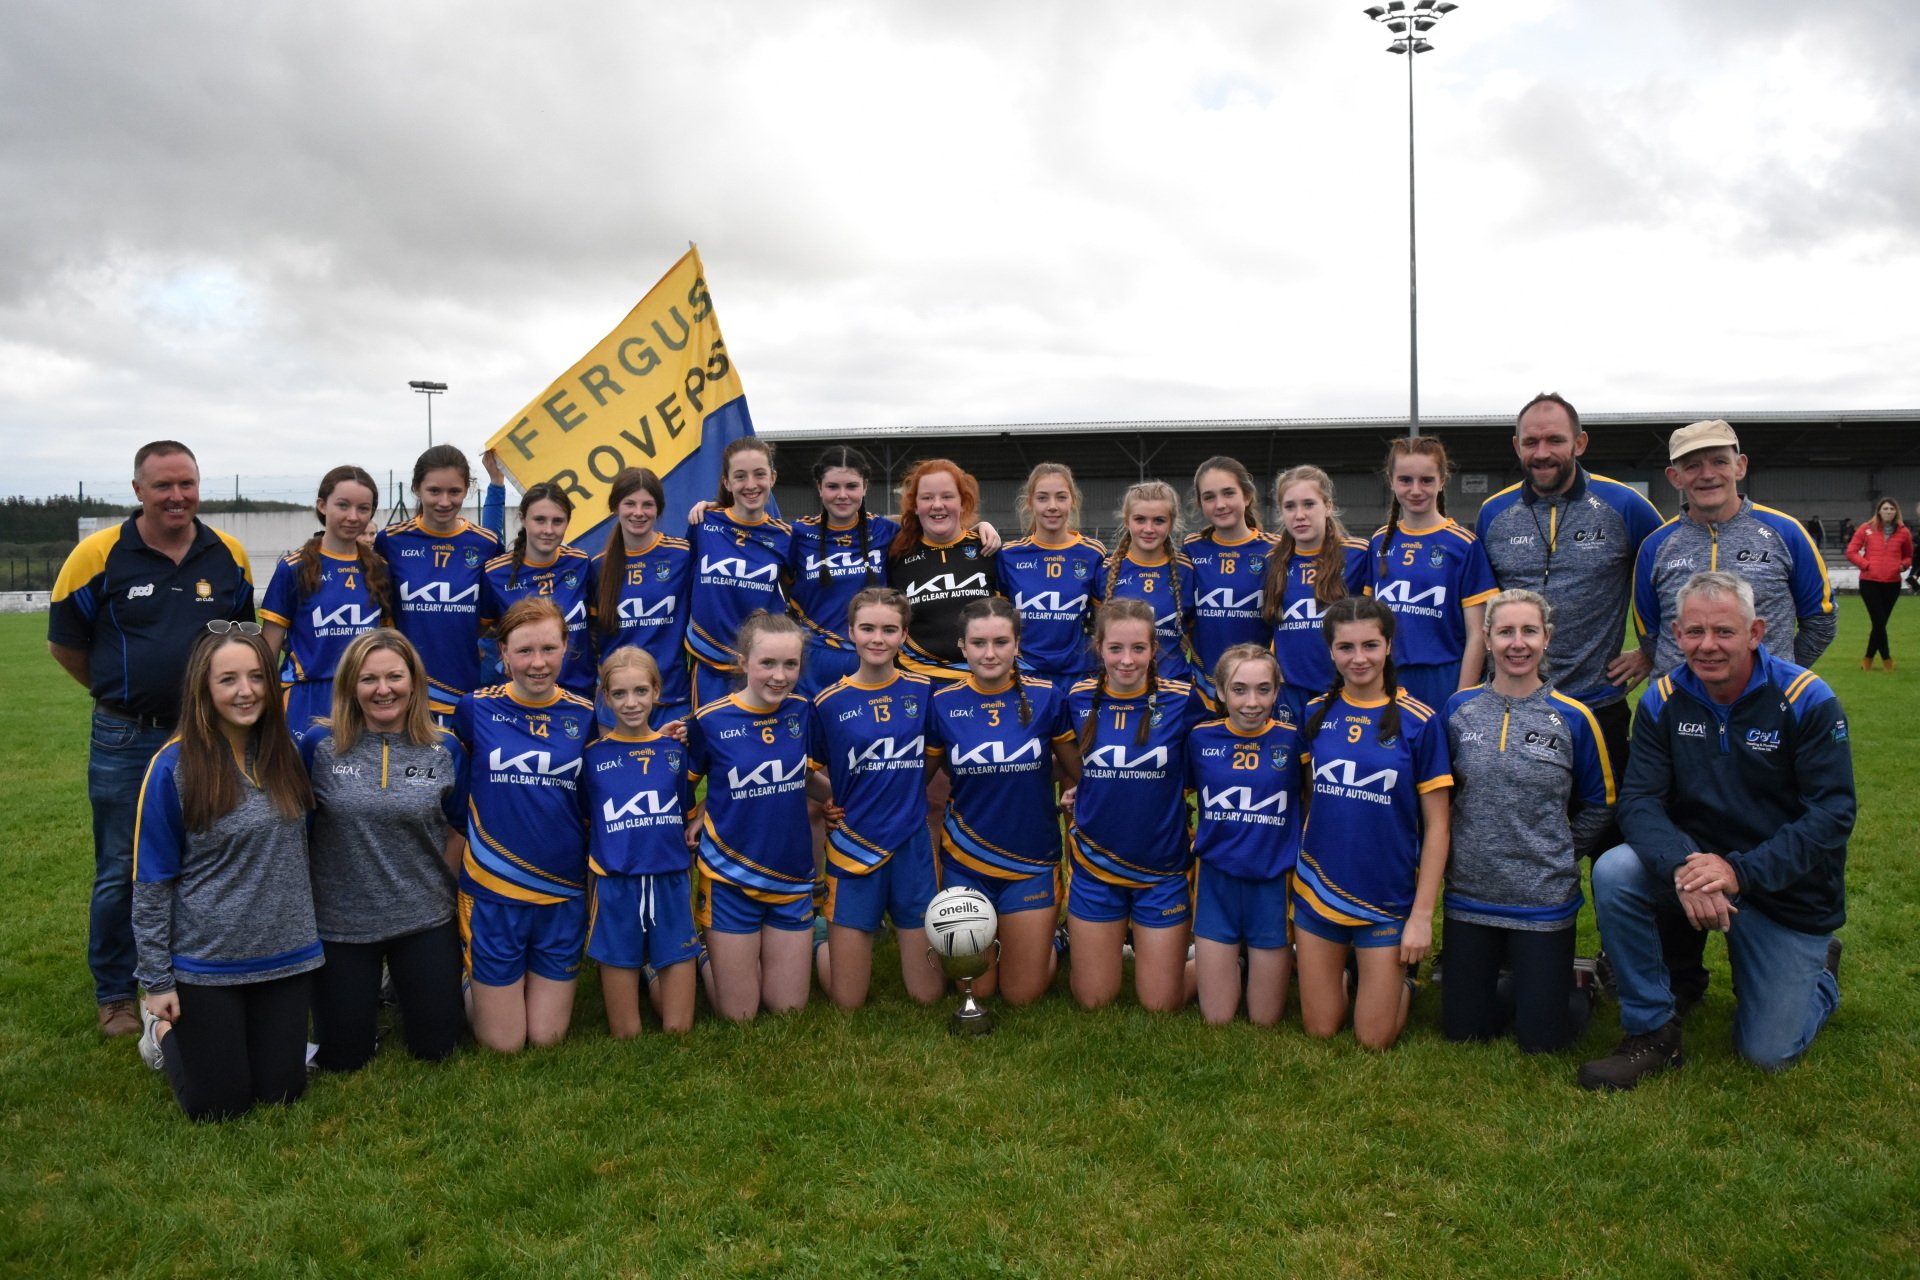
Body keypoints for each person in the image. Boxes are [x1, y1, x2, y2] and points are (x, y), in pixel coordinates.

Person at [1579, 572, 1853, 1088]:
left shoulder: (1807, 698)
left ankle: (1818, 979)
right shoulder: (1662, 699)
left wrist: (1737, 873)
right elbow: (1639, 801)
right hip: (1695, 869)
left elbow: (1831, 815)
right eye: (1694, 632)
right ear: (1676, 635)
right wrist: (1684, 865)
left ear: (1756, 633)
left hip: (1781, 888)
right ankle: (1651, 1031)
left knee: (1766, 1053)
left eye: (1724, 632)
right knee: (1616, 869)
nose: (1707, 646)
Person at [48, 440, 255, 1039]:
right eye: (163, 485)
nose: (177, 496)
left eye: (187, 483)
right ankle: (115, 992)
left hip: (208, 738)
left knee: (209, 856)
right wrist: (120, 693)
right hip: (127, 738)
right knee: (122, 866)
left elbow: (239, 645)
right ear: (137, 489)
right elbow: (65, 644)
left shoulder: (227, 555)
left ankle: (196, 970)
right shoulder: (97, 555)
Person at [131, 624, 321, 1121]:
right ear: (203, 688)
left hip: (286, 953)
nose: (246, 691)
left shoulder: (292, 754)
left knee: (282, 1093)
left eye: (257, 676)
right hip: (207, 963)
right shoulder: (173, 767)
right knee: (218, 1108)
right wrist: (157, 982)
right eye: (229, 680)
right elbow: (151, 882)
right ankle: (161, 1032)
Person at [1441, 590, 1614, 1053]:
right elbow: (1441, 799)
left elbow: (1601, 802)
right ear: (1488, 638)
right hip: (1470, 895)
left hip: (1542, 898)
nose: (1518, 643)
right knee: (1463, 1034)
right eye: (1506, 632)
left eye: (1529, 631)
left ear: (1547, 638)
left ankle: (1572, 996)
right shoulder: (1458, 711)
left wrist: (1558, 850)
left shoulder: (1574, 718)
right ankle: (1519, 987)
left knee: (1542, 1041)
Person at [301, 629, 467, 1070]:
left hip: (424, 919)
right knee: (344, 1058)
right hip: (342, 924)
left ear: (413, 681)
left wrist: (438, 892)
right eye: (369, 679)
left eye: (394, 676)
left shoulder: (444, 748)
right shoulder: (318, 747)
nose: (383, 689)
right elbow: (299, 831)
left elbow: (458, 828)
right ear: (350, 686)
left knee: (437, 1049)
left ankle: (407, 985)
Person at [1475, 393, 1663, 776]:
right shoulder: (1493, 513)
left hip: (1598, 703)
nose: (1542, 452)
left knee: (1604, 821)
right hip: (1513, 703)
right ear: (1517, 446)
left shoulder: (1625, 506)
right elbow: (1479, 606)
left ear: (1580, 443)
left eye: (1555, 440)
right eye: (1531, 442)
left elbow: (1671, 582)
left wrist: (1650, 651)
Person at [1294, 597, 1452, 1051]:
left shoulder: (1420, 722)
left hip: (1386, 896)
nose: (1358, 658)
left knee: (1373, 1039)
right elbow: (1309, 799)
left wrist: (1421, 917)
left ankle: (1402, 982)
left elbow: (1438, 826)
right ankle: (1351, 972)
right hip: (1318, 888)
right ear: (1330, 652)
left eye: (1369, 645)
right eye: (1345, 647)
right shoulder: (1315, 714)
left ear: (1388, 646)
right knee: (1321, 1028)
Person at [452, 597, 596, 1053]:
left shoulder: (586, 715)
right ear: (503, 655)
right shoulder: (474, 709)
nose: (538, 663)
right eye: (525, 651)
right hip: (493, 892)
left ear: (566, 648)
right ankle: (459, 972)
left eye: (549, 649)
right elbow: (456, 794)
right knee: (505, 1044)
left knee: (547, 1038)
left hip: (561, 892)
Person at [928, 598, 1082, 1006]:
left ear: (1017, 645)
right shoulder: (941, 703)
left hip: (1031, 860)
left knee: (1020, 994)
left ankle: (1054, 941)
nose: (990, 653)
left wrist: (1079, 791)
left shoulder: (1048, 696)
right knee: (976, 987)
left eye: (1001, 641)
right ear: (962, 647)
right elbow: (916, 780)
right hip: (966, 859)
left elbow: (1077, 771)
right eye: (979, 643)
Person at [1062, 598, 1208, 1012]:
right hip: (1094, 865)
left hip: (1161, 869)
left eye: (1138, 649)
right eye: (1116, 649)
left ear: (1154, 649)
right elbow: (1067, 762)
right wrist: (1080, 789)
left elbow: (1211, 764)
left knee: (1161, 1004)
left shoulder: (1182, 699)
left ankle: (1223, 959)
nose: (1127, 660)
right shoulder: (1077, 697)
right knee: (1093, 999)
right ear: (1099, 648)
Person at [685, 610, 831, 1020]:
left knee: (787, 1008)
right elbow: (681, 786)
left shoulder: (803, 713)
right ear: (743, 662)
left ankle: (806, 940)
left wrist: (842, 800)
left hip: (791, 875)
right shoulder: (710, 720)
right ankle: (703, 955)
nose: (779, 676)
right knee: (740, 1015)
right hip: (730, 877)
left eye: (790, 664)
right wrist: (698, 813)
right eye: (767, 663)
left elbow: (803, 776)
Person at [810, 588, 943, 1009]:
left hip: (910, 843)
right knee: (847, 1000)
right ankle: (818, 940)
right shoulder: (828, 702)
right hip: (854, 845)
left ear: (904, 635)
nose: (877, 639)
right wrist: (832, 798)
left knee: (927, 994)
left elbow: (939, 754)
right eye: (867, 628)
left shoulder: (924, 692)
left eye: (889, 629)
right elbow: (804, 770)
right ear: (851, 632)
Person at [1634, 419, 1835, 677]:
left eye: (1719, 461)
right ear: (1675, 477)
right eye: (1692, 466)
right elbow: (1649, 634)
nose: (1707, 475)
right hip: (1678, 705)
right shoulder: (1655, 545)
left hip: (1765, 706)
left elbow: (1820, 620)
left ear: (1740, 466)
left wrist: (1777, 676)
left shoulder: (1786, 532)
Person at [580, 647, 700, 1037]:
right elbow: (585, 818)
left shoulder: (675, 751)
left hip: (669, 880)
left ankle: (654, 968)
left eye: (640, 691)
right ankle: (641, 966)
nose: (631, 703)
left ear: (656, 691)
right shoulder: (592, 758)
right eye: (619, 694)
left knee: (679, 1027)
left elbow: (686, 807)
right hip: (617, 884)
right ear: (605, 697)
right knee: (626, 1033)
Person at [1188, 645, 1301, 1027]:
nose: (1252, 702)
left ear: (1277, 689)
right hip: (1216, 881)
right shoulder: (1200, 739)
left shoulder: (1294, 741)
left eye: (1263, 689)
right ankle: (1228, 959)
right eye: (1239, 690)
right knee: (1217, 1018)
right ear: (1220, 691)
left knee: (1265, 1019)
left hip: (1272, 883)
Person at [1369, 436, 1498, 713]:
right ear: (1391, 480)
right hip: (1385, 679)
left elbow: (1478, 634)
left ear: (1442, 480)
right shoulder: (1379, 542)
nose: (1416, 490)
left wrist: (1461, 700)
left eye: (1426, 480)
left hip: (1443, 680)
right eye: (1405, 480)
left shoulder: (1463, 544)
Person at [374, 445, 501, 720]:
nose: (444, 501)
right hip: (403, 691)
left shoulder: (486, 544)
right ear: (417, 488)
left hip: (463, 688)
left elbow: (489, 617)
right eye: (434, 491)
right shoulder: (390, 541)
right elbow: (381, 611)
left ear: (467, 489)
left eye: (454, 492)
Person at [261, 465, 391, 731]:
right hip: (306, 697)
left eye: (363, 509)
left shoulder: (380, 569)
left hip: (364, 697)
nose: (353, 516)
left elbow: (388, 642)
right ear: (322, 505)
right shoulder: (294, 567)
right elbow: (268, 650)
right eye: (342, 505)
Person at [685, 438, 793, 708]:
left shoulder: (786, 537)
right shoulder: (703, 523)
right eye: (740, 476)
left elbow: (797, 598)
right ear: (726, 482)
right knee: (708, 744)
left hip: (763, 668)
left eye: (759, 474)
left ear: (773, 477)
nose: (751, 485)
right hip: (709, 659)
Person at [787, 446, 902, 700]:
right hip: (812, 664)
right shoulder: (796, 534)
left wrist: (981, 528)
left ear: (865, 487)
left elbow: (937, 535)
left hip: (872, 661)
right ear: (819, 487)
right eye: (832, 487)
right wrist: (717, 507)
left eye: (851, 486)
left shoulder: (887, 532)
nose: (842, 495)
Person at [1262, 466, 1372, 726]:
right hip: (1291, 691)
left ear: (1328, 506)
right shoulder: (1272, 561)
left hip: (1342, 688)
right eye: (1290, 506)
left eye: (1309, 504)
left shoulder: (1358, 553)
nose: (1299, 515)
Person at [590, 467, 695, 728]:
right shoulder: (597, 567)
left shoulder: (682, 555)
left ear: (658, 509)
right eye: (630, 504)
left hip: (671, 699)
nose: (638, 512)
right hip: (617, 704)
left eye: (647, 504)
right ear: (615, 507)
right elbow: (592, 638)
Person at [887, 459, 1003, 682]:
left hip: (981, 682)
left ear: (963, 502)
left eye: (947, 496)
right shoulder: (895, 554)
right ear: (914, 505)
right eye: (927, 498)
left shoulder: (988, 549)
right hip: (919, 682)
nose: (937, 505)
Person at [480, 484, 596, 697]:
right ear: (523, 519)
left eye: (558, 521)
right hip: (521, 698)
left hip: (579, 696)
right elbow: (480, 636)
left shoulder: (580, 563)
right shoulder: (495, 573)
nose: (549, 530)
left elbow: (596, 629)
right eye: (540, 520)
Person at [998, 463, 1106, 687]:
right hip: (1025, 674)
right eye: (1042, 498)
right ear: (1029, 502)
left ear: (1072, 500)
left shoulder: (1093, 553)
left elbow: (1103, 620)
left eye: (1061, 497)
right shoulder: (1009, 555)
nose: (1052, 506)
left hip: (1080, 674)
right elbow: (999, 622)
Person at [1184, 458, 1275, 710]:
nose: (1220, 504)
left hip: (1257, 689)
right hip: (1204, 685)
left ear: (1246, 496)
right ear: (1200, 504)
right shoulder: (1191, 549)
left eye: (1228, 493)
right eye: (1209, 497)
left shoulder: (1274, 549)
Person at [1101, 481, 1198, 686]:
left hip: (1173, 686)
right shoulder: (1106, 570)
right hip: (1119, 686)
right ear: (1127, 520)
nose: (1148, 528)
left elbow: (1193, 631)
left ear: (1171, 523)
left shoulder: (1187, 571)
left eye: (1159, 520)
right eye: (1140, 519)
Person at [1846, 498, 1912, 670]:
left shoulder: (1904, 532)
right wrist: (1866, 565)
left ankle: (1868, 658)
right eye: (1885, 508)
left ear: (1896, 511)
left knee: (1880, 623)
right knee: (1879, 620)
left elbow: (1909, 556)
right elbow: (1851, 551)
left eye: (1891, 509)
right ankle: (1886, 659)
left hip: (1892, 583)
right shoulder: (1865, 529)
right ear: (1879, 511)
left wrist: (1902, 565)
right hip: (1869, 582)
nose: (1888, 511)